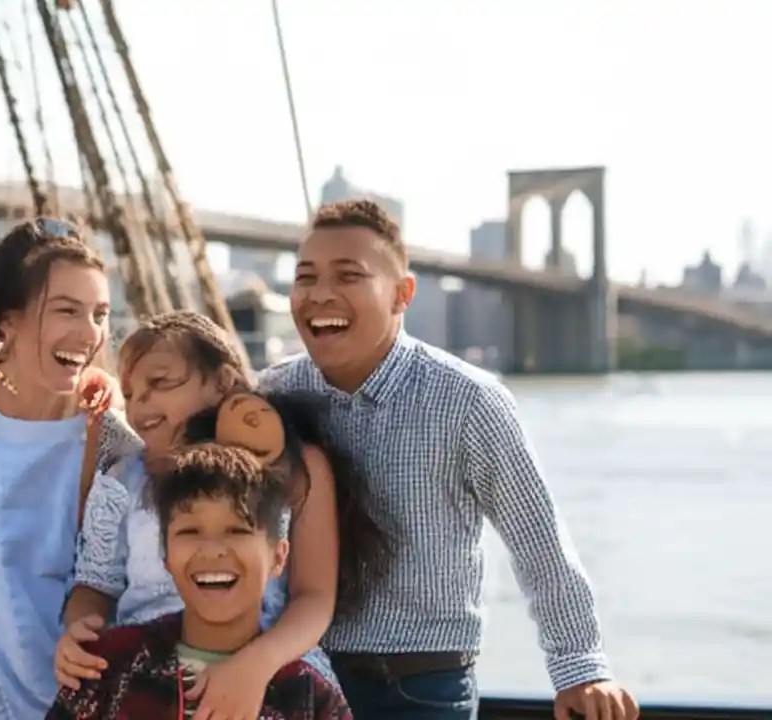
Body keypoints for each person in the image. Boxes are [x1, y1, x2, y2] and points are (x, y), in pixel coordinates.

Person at [259, 199, 639, 720]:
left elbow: (539, 543)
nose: (320, 294)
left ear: (402, 294)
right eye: (305, 277)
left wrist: (582, 668)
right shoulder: (270, 395)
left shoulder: (468, 401)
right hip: (293, 680)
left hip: (419, 690)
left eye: (349, 276)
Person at [56, 311, 388, 717]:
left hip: (264, 667)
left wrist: (255, 667)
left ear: (224, 383)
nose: (142, 403)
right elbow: (95, 583)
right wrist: (79, 632)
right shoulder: (123, 477)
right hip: (145, 677)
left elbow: (314, 598)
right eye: (132, 392)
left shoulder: (293, 468)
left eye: (160, 383)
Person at [0, 217, 143, 718]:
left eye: (100, 313)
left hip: (88, 698)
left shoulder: (113, 439)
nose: (89, 333)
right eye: (66, 311)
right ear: (7, 320)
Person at [46, 439, 350, 719]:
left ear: (279, 557)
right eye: (190, 532)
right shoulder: (108, 669)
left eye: (237, 531)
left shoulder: (308, 696)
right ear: (166, 555)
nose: (212, 551)